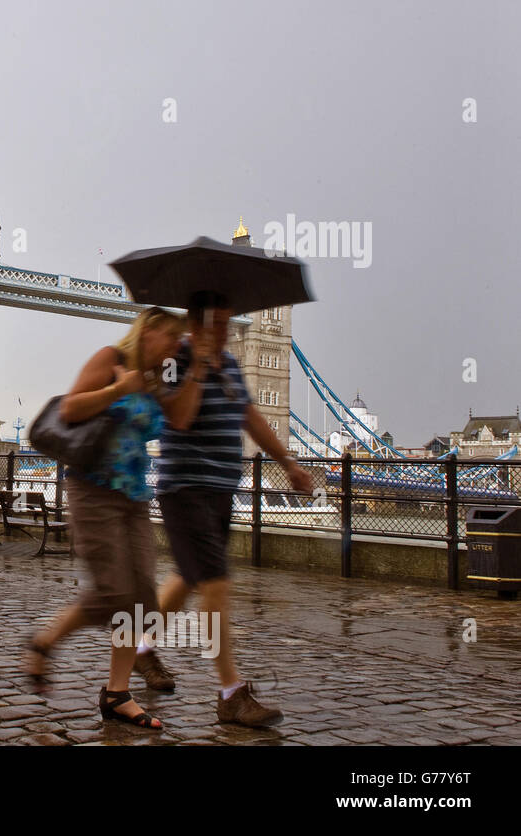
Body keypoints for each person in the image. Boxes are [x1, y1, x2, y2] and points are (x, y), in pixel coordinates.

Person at [144, 292, 312, 727]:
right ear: (196, 325)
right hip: (186, 487)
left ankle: (139, 647)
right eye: (217, 323)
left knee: (189, 577)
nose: (227, 330)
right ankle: (230, 692)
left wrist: (288, 463)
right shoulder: (173, 360)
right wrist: (198, 367)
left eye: (229, 322)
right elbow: (178, 418)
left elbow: (250, 417)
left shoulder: (233, 365)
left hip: (221, 488)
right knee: (216, 583)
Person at [24, 307, 184, 729]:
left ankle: (117, 694)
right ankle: (43, 643)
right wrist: (119, 389)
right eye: (172, 337)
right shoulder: (110, 358)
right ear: (148, 331)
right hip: (93, 489)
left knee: (143, 600)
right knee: (114, 592)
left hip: (134, 495)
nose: (177, 346)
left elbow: (178, 422)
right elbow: (71, 409)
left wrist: (191, 372)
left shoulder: (157, 380)